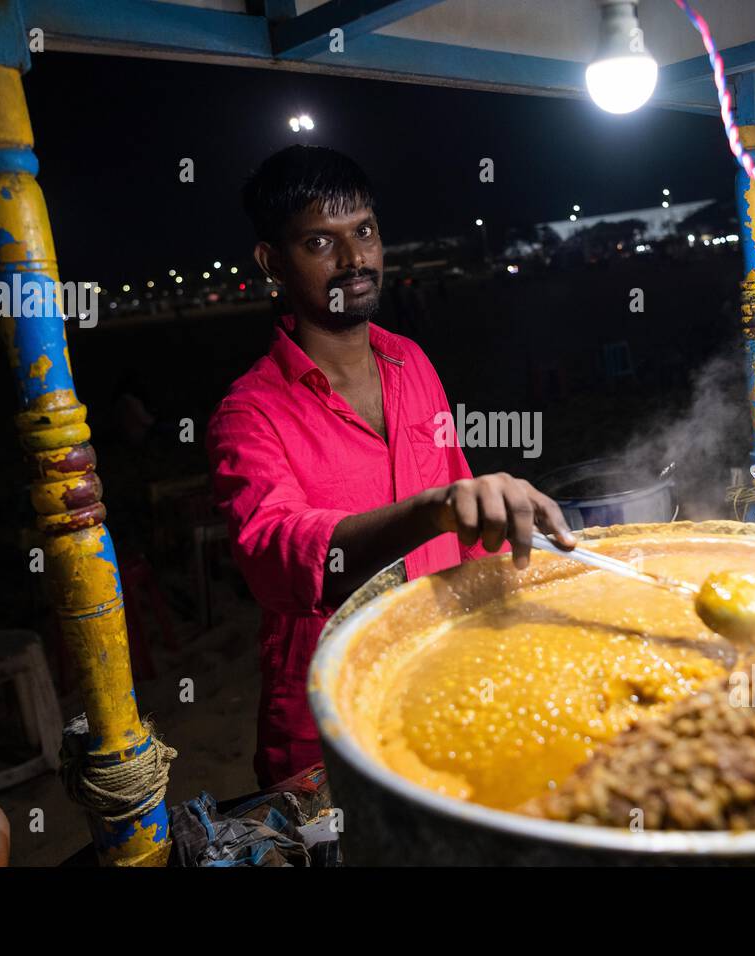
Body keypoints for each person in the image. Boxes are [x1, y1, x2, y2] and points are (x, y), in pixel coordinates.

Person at [207, 145, 574, 788]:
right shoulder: (248, 412)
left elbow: (463, 512)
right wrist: (431, 510)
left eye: (365, 232)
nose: (354, 260)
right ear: (272, 262)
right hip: (332, 724)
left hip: (451, 675)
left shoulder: (411, 361)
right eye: (321, 241)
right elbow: (278, 554)